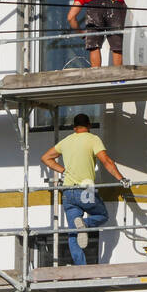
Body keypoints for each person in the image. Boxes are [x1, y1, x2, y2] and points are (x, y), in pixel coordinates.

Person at [40, 113, 131, 265]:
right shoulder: (93, 139)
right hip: (85, 190)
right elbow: (106, 161)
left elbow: (45, 158)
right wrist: (121, 178)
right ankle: (85, 223)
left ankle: (81, 267)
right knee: (102, 216)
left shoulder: (66, 141)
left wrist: (63, 170)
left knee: (73, 232)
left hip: (68, 191)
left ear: (74, 128)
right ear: (88, 125)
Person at [67, 0, 127, 67]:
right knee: (117, 46)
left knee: (94, 45)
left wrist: (81, 33)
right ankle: (120, 78)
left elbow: (70, 17)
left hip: (94, 5)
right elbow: (124, 8)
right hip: (115, 3)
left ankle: (96, 76)